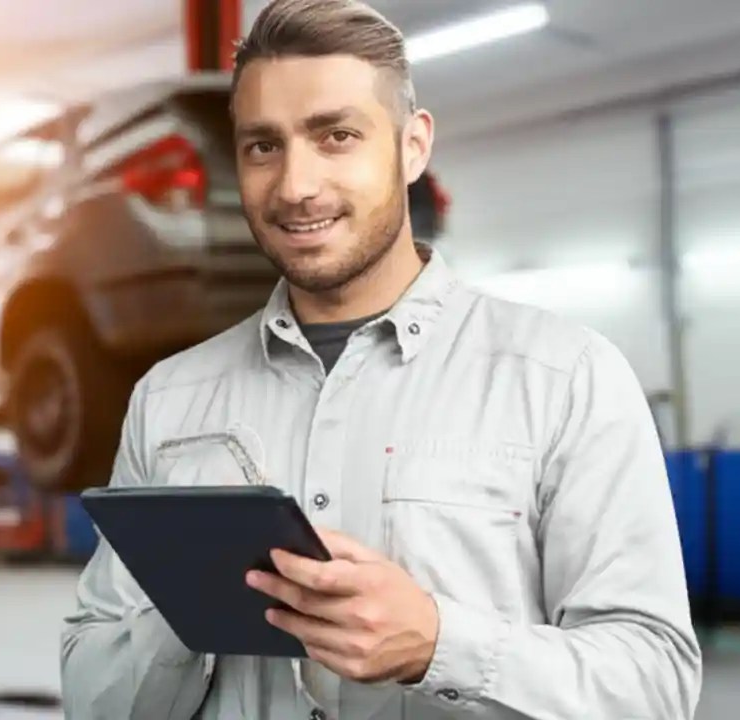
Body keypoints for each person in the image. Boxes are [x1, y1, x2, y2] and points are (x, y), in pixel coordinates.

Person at [60, 0, 703, 717]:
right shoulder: (170, 400)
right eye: (262, 146)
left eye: (336, 135)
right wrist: (185, 613)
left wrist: (438, 642)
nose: (296, 185)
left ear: (412, 147)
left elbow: (655, 685)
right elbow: (92, 694)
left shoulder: (566, 379)